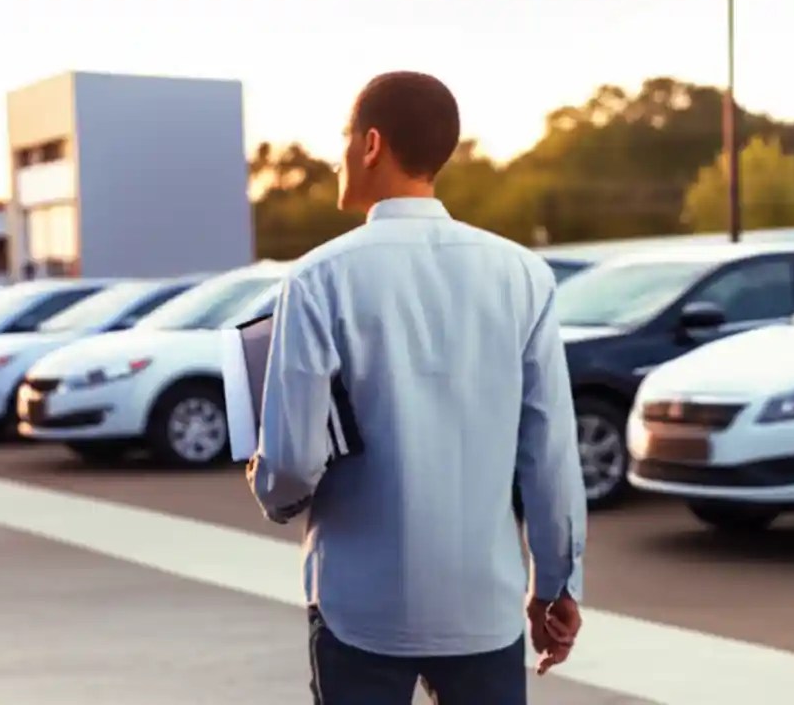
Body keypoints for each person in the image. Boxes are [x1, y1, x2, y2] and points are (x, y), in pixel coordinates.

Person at [246, 71, 586, 704]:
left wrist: (270, 487)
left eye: (345, 138)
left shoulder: (318, 279)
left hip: (358, 606)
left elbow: (292, 461)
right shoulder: (523, 275)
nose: (340, 155)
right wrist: (556, 583)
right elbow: (551, 453)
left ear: (371, 144)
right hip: (483, 604)